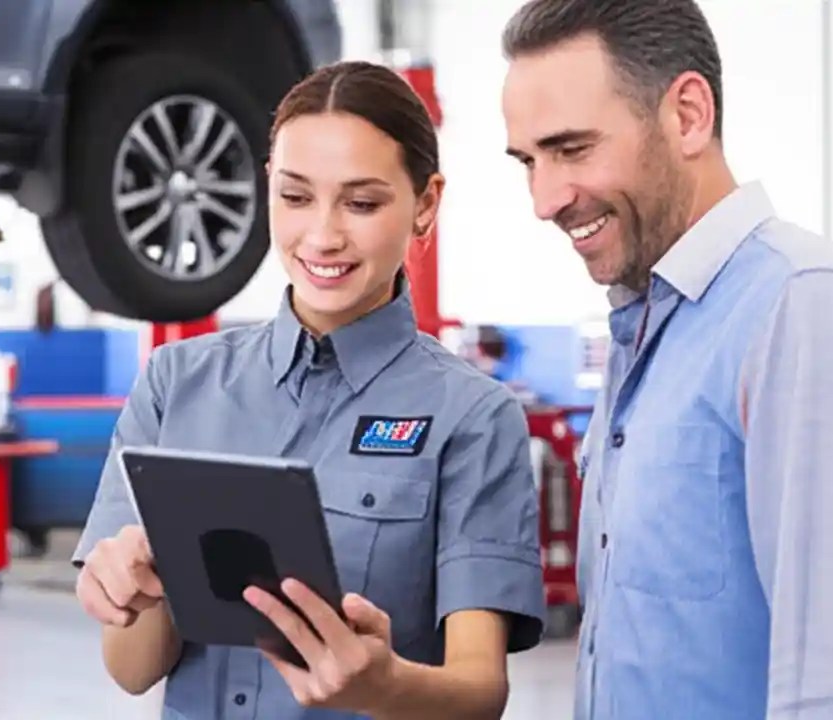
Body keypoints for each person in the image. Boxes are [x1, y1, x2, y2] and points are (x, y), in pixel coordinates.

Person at [72, 60, 546, 720]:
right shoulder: (175, 383)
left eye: (361, 202)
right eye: (296, 197)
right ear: (269, 188)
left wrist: (382, 685)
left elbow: (480, 693)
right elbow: (132, 672)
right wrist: (136, 592)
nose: (323, 235)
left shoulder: (471, 416)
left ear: (426, 203)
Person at [499, 1, 833, 718]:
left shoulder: (808, 312)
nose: (545, 200)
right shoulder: (645, 330)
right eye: (529, 162)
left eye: (572, 149)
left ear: (689, 115)